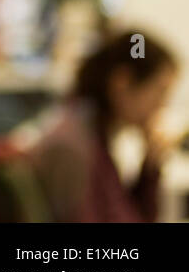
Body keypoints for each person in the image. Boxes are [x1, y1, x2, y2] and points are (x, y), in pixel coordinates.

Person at [23, 29, 180, 221]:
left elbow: (128, 215)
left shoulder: (92, 130)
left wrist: (150, 166)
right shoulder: (73, 145)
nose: (162, 105)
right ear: (122, 83)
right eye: (160, 91)